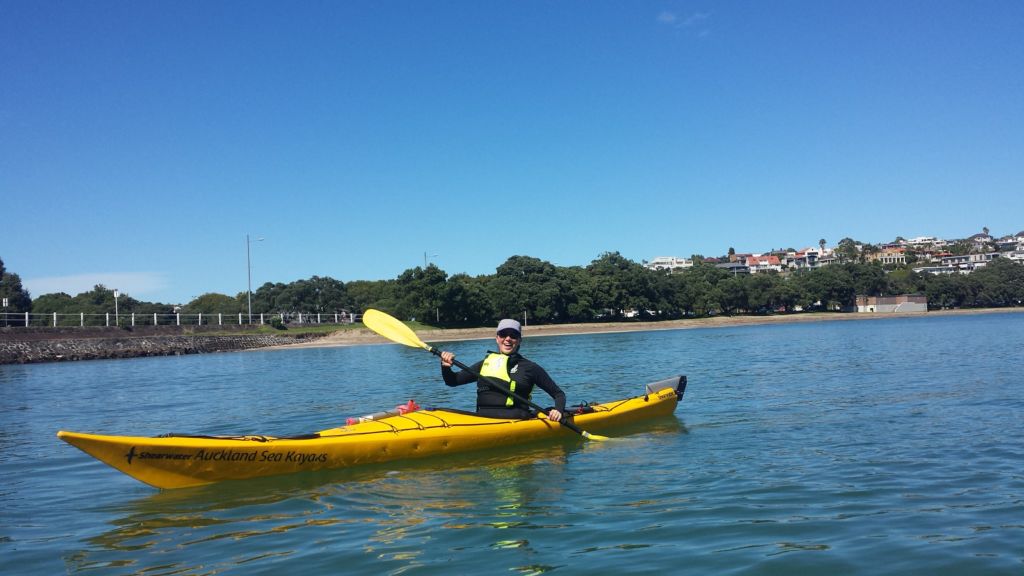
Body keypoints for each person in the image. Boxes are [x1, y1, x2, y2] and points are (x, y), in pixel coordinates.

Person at [440, 318, 565, 421]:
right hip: (481, 419)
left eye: (513, 335)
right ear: (497, 338)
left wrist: (558, 411)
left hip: (516, 421)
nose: (508, 339)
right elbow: (452, 381)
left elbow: (558, 394)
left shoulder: (530, 368)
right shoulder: (484, 364)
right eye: (503, 334)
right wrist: (445, 366)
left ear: (519, 340)